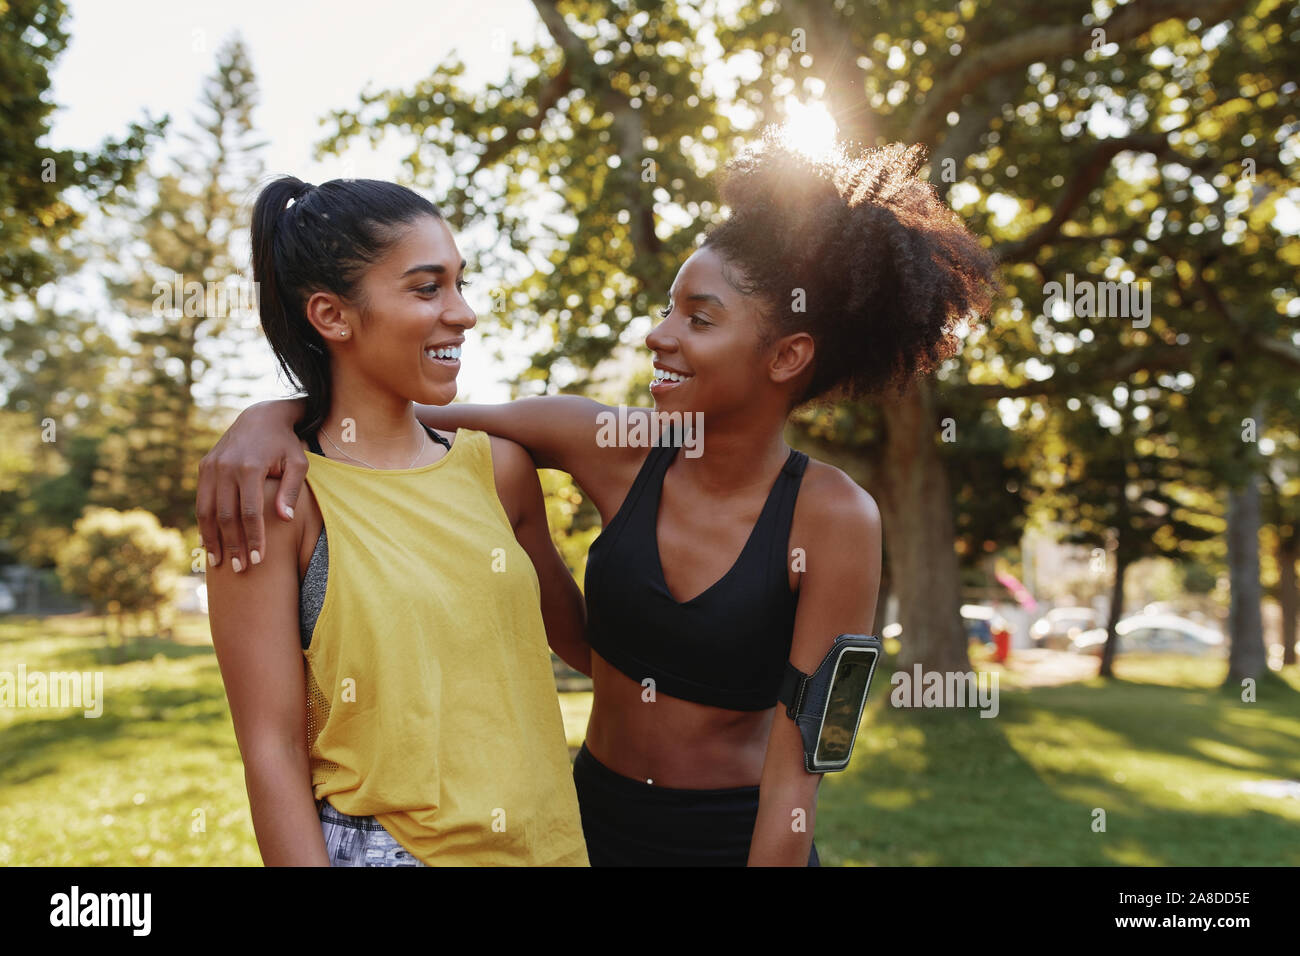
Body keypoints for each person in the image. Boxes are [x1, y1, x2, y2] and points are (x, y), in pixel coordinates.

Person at [199, 131, 998, 865]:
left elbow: (807, 765)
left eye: (699, 317)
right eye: (668, 306)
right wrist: (264, 419)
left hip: (735, 839)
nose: (658, 333)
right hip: (587, 826)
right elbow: (386, 411)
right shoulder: (604, 444)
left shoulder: (837, 518)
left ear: (786, 354)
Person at [203, 175, 589, 866]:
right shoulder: (277, 498)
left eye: (460, 284)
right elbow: (271, 750)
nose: (464, 313)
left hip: (549, 847)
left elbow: (593, 653)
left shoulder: (499, 473)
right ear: (331, 315)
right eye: (426, 288)